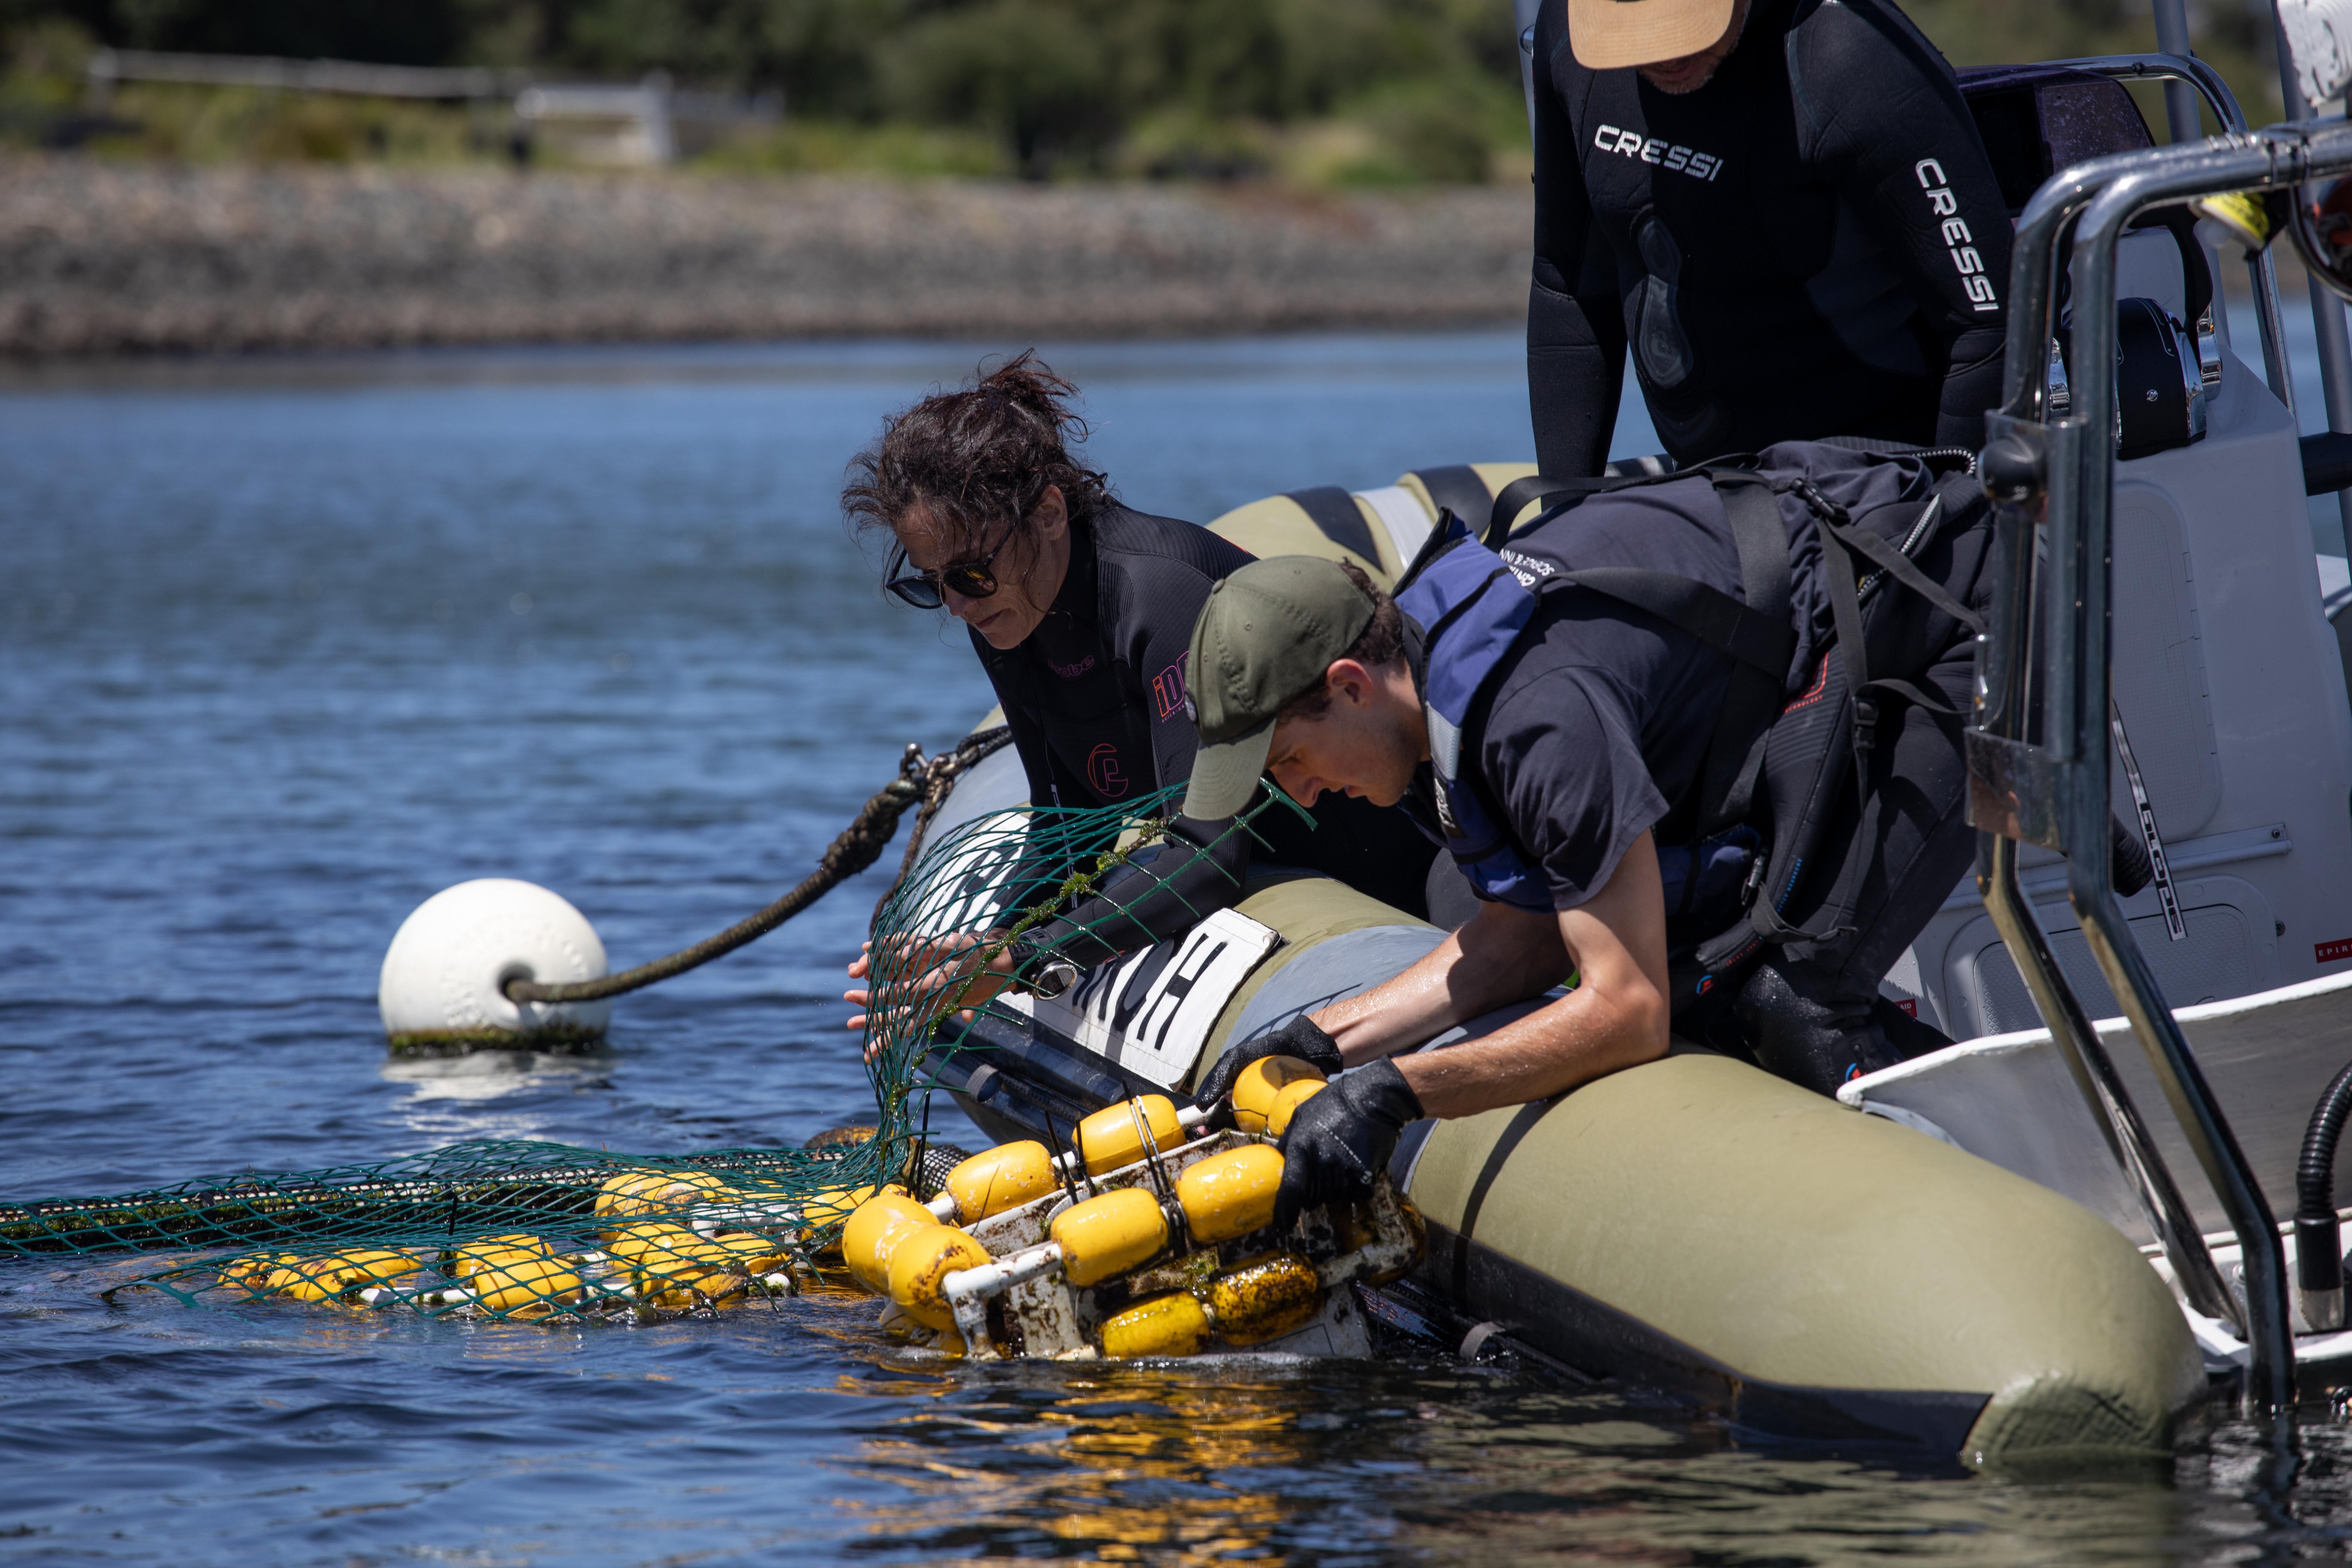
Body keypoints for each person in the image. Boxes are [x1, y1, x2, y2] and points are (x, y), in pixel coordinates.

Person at [1180, 442, 1998, 1225]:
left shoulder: (1535, 721)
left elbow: (1628, 1011)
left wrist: (1398, 1092)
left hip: (1961, 614)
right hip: (1828, 637)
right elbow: (1523, 938)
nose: (1302, 794)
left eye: (1288, 757)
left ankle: (2015, 1210)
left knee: (1795, 1001)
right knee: (1709, 984)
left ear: (1350, 686)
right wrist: (1326, 1040)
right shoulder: (1441, 689)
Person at [840, 353, 1434, 1034]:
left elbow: (1210, 854)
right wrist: (974, 955)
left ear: (1050, 513)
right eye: (931, 582)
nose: (955, 606)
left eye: (970, 575)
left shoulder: (1161, 596)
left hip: (1401, 864)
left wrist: (1027, 956)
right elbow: (1065, 824)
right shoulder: (1005, 610)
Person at [1527, 0, 2011, 475]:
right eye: (1638, 29)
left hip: (1874, 485)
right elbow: (1566, 287)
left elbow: (1991, 324)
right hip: (1711, 491)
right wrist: (1561, 512)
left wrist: (1947, 511)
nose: (1664, 52)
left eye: (1685, 24)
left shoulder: (1849, 54)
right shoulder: (1570, 33)